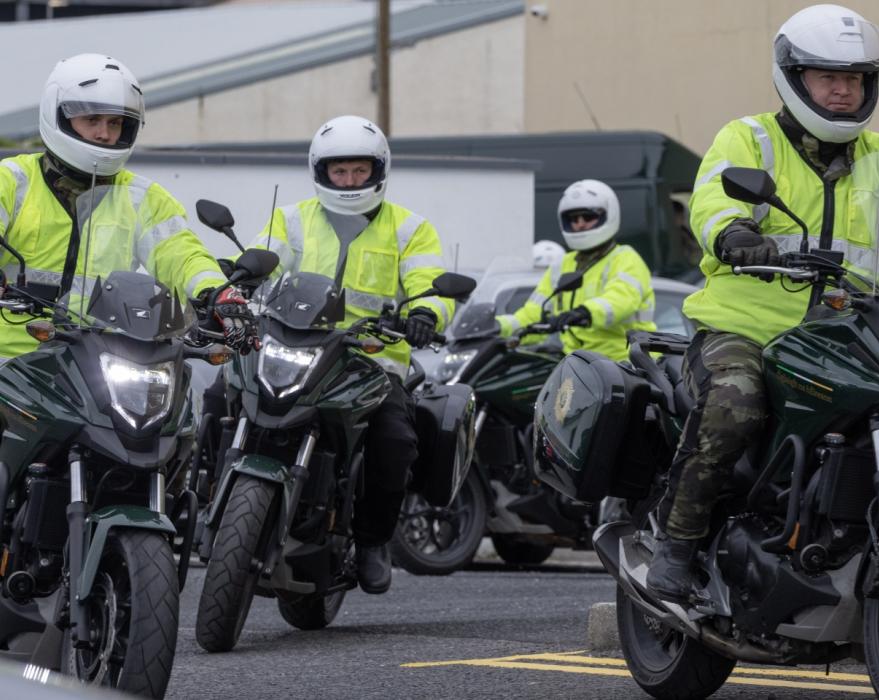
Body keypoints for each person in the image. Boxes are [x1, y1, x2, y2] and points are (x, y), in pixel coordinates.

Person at [646, 4, 879, 602]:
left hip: (849, 330)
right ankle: (677, 543)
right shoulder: (748, 139)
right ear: (795, 79)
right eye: (829, 77)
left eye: (855, 78)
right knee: (734, 403)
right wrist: (735, 234)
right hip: (749, 329)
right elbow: (714, 201)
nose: (843, 90)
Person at [252, 115, 454, 594]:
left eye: (358, 171)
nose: (349, 181)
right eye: (339, 171)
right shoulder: (292, 218)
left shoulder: (410, 228)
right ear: (321, 172)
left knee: (395, 439)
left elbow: (432, 285)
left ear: (377, 170)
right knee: (225, 394)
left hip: (371, 360)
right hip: (296, 347)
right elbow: (266, 256)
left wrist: (425, 312)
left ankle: (371, 540)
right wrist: (241, 275)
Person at [0, 54, 253, 358]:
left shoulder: (143, 197)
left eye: (115, 123)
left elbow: (181, 253)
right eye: (91, 119)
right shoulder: (12, 180)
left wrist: (218, 293)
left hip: (99, 360)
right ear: (60, 117)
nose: (104, 134)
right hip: (10, 360)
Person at [496, 179, 656, 362]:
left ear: (608, 215)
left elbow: (620, 300)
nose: (580, 224)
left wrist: (584, 313)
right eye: (573, 219)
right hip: (578, 364)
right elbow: (534, 313)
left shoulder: (626, 258)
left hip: (626, 361)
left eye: (588, 217)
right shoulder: (561, 265)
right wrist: (499, 326)